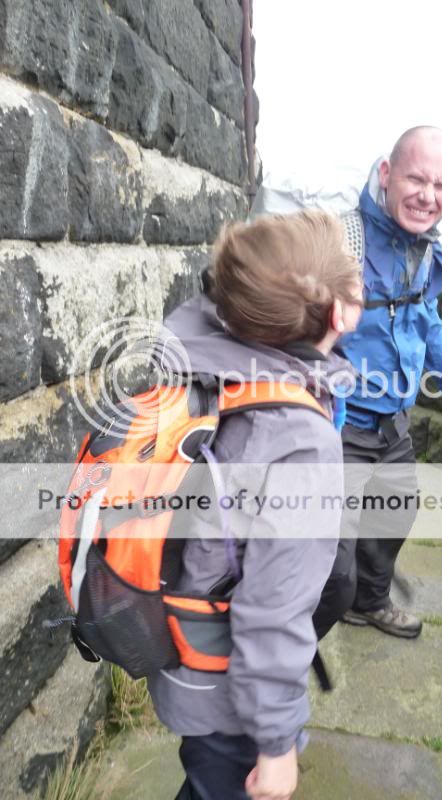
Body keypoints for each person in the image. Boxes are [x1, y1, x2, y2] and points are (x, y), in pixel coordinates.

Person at [147, 211, 363, 800]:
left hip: (183, 646)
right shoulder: (298, 438)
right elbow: (273, 610)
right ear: (339, 315)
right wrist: (275, 744)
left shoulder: (211, 363)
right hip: (230, 696)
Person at [313, 126, 442, 641]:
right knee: (330, 560)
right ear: (387, 174)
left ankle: (369, 603)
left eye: (441, 186)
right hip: (338, 423)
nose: (428, 196)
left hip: (393, 423)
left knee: (394, 513)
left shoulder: (425, 250)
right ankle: (286, 647)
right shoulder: (341, 240)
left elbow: (427, 321)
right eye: (417, 179)